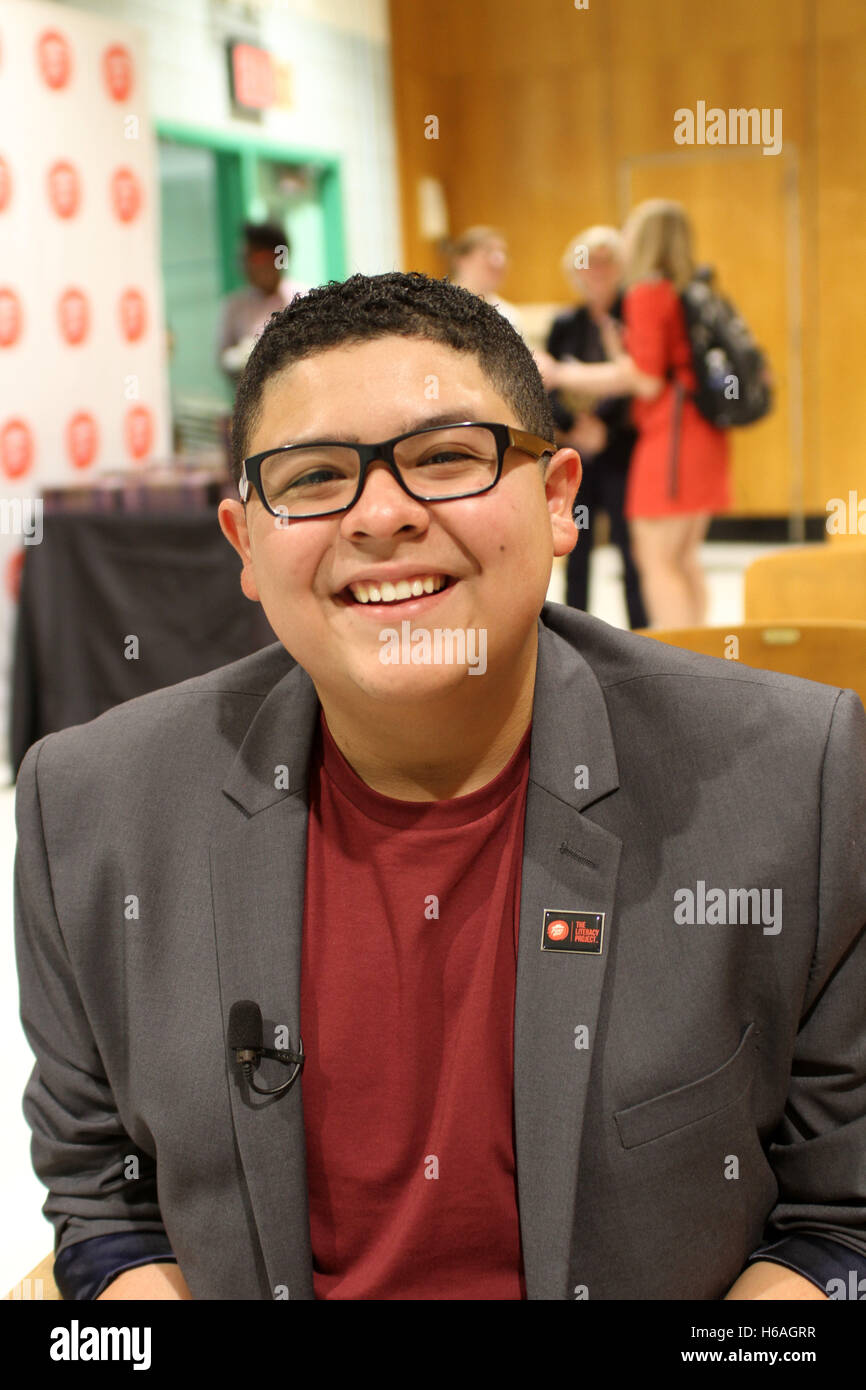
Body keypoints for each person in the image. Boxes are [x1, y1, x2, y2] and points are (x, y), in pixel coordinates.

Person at [14, 272, 866, 1302]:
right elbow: (105, 1199)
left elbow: (839, 1221)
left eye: (444, 458)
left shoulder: (797, 781)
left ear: (558, 501)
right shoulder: (91, 806)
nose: (381, 516)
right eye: (316, 476)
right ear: (244, 543)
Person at [536, 200, 729, 628]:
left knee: (655, 560)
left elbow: (645, 381)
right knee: (681, 559)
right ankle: (702, 656)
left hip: (669, 438)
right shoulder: (693, 288)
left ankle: (679, 666)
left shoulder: (646, 292)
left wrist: (563, 372)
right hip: (702, 433)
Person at [545, 227, 647, 628]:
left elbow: (640, 381)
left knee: (630, 548)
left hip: (623, 447)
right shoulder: (565, 323)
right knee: (575, 542)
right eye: (591, 261)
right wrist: (572, 427)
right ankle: (573, 632)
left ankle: (644, 634)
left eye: (608, 261)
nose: (598, 270)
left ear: (621, 267)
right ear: (577, 270)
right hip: (576, 449)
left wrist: (604, 428)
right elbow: (542, 381)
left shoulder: (631, 318)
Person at [217, 221, 308, 389]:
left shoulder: (303, 298)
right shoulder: (234, 306)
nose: (247, 267)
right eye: (244, 259)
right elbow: (222, 359)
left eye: (255, 258)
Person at [444, 225, 524, 333]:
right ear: (461, 260)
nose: (499, 260)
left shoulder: (509, 314)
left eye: (503, 252)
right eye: (488, 251)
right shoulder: (441, 304)